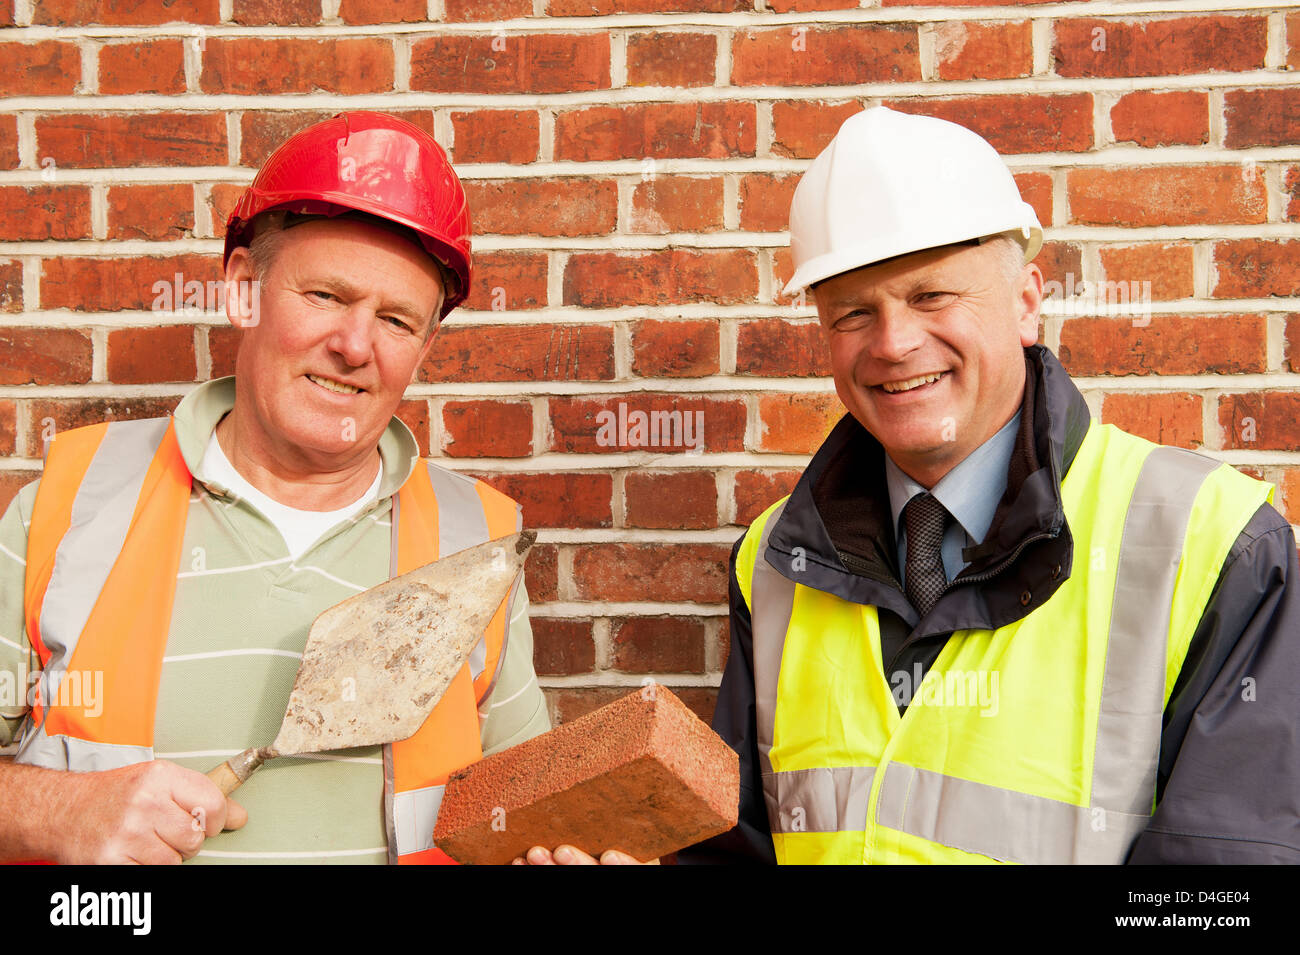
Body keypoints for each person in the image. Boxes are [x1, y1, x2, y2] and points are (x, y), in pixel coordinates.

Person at [678, 106, 1300, 865]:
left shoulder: (1212, 545)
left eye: (932, 295)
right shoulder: (774, 563)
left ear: (1027, 302)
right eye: (853, 313)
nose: (894, 343)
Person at [0, 112, 552, 864]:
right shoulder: (68, 509)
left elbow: (526, 814)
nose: (355, 346)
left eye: (395, 320)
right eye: (325, 295)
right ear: (242, 292)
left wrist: (572, 842)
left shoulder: (476, 541)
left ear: (423, 347)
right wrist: (58, 810)